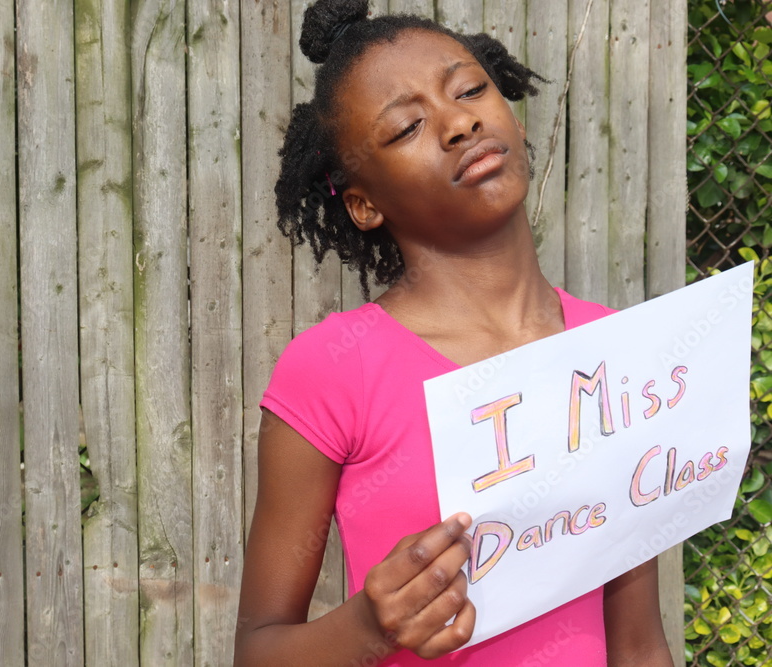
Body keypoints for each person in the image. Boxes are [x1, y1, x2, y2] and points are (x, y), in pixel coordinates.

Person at [234, 1, 675, 665]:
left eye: (471, 90)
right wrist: (368, 629)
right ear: (363, 202)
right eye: (407, 126)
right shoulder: (332, 368)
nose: (459, 122)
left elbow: (639, 645)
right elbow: (257, 650)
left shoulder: (609, 352)